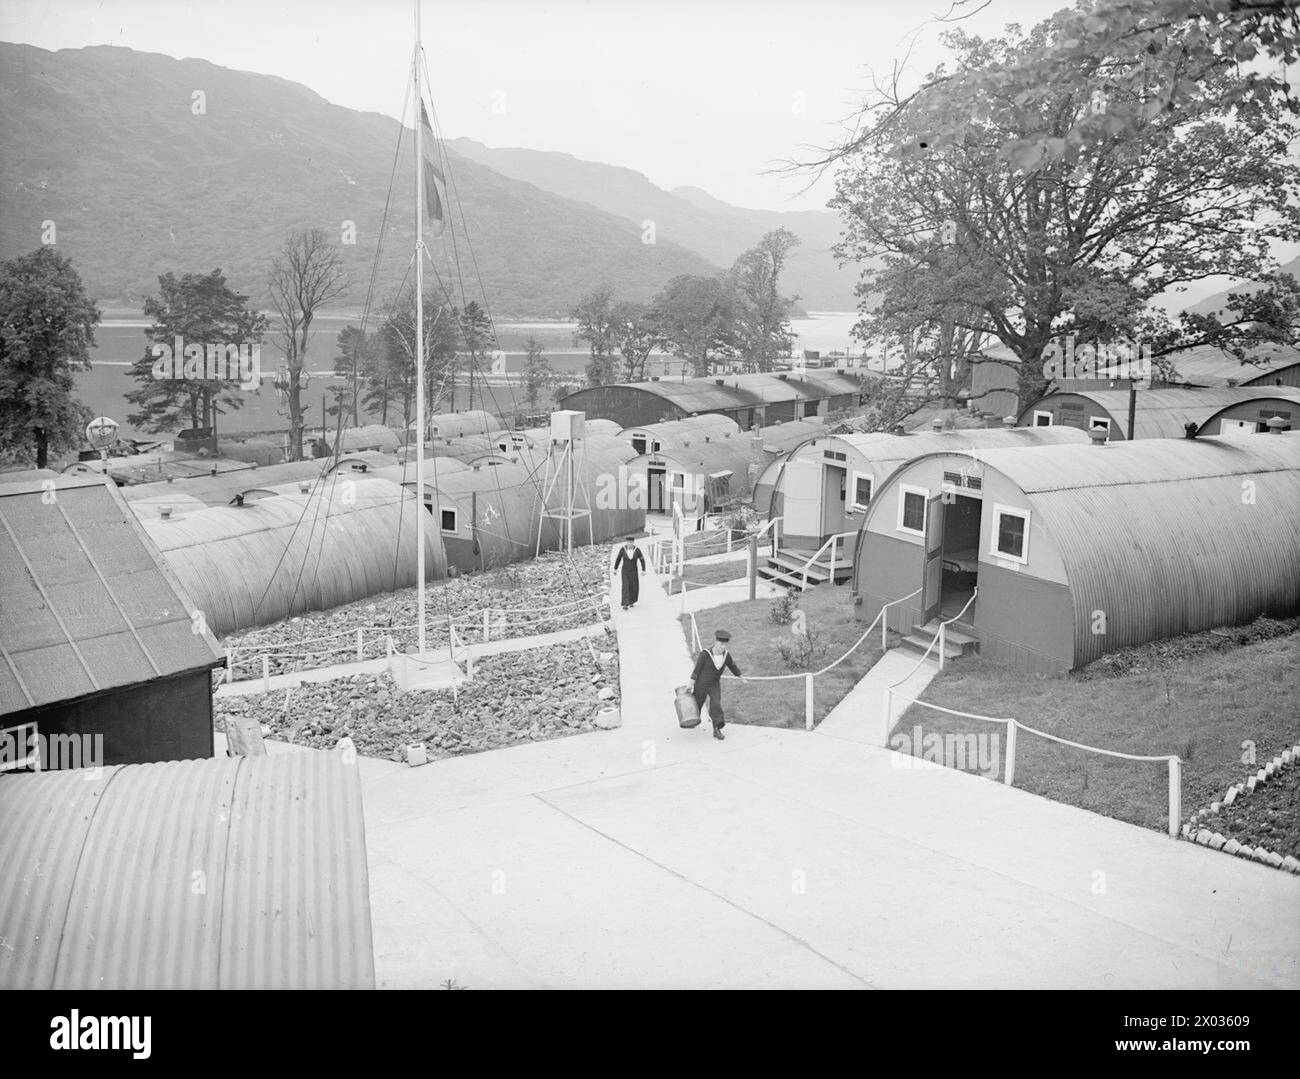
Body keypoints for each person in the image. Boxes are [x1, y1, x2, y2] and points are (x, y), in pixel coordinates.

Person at [691, 629, 741, 740]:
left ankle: (717, 729)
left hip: (714, 684)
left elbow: (732, 666)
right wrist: (691, 684)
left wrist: (740, 676)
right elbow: (696, 670)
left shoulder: (726, 655)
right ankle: (692, 720)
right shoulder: (705, 654)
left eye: (725, 644)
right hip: (701, 683)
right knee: (697, 703)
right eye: (721, 644)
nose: (723, 647)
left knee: (716, 705)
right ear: (716, 642)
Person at [612, 536, 645, 610]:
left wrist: (643, 569)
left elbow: (642, 559)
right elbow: (618, 558)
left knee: (633, 586)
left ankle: (631, 601)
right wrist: (615, 568)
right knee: (625, 586)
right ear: (626, 542)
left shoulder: (637, 550)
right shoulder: (623, 549)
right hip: (625, 571)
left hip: (634, 571)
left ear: (633, 542)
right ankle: (625, 604)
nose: (629, 544)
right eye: (628, 542)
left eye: (631, 542)